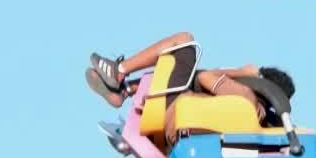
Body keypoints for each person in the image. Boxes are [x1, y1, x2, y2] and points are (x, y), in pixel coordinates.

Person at [85, 32, 296, 141]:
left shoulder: (246, 97)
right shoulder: (254, 123)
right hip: (177, 132)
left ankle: (120, 72)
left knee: (184, 42)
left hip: (176, 113)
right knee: (185, 74)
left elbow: (205, 78)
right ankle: (126, 90)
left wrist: (241, 72)